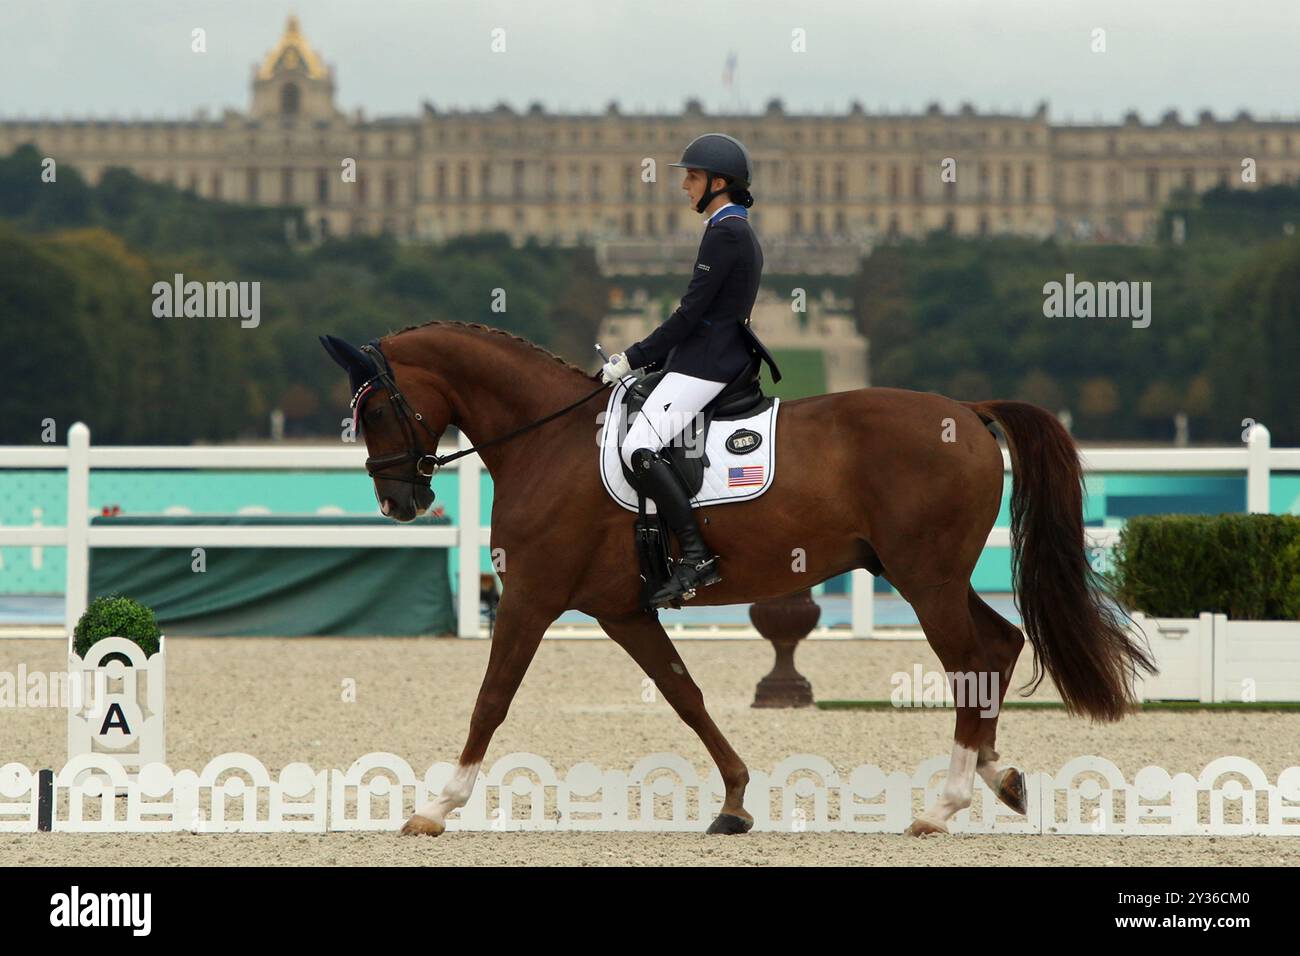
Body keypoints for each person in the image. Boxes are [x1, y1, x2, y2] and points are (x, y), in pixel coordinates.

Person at [600, 132, 780, 608]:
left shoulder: (725, 233)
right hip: (709, 355)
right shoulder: (735, 228)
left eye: (693, 178)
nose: (685, 187)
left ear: (719, 182)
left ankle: (696, 555)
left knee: (638, 445)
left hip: (708, 363)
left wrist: (633, 357)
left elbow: (690, 314)